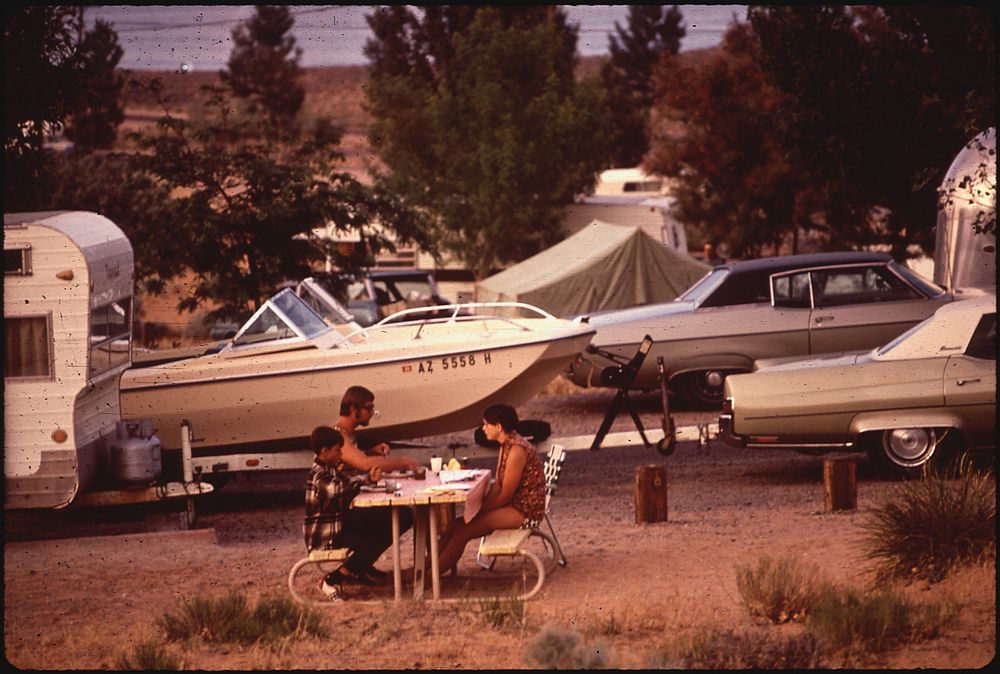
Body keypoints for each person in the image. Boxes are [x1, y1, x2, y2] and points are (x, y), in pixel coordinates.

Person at [435, 403, 546, 573]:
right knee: (453, 525)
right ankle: (420, 571)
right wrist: (481, 508)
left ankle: (427, 580)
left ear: (499, 427)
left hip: (524, 511)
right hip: (514, 506)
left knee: (463, 532)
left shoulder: (516, 450)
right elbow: (499, 485)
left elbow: (506, 495)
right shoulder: (506, 445)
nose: (484, 428)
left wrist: (482, 511)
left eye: (487, 424)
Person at [304, 426, 397, 600]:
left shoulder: (330, 468)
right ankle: (332, 579)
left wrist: (368, 479)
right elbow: (341, 490)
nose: (341, 454)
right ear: (325, 451)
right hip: (327, 536)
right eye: (337, 451)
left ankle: (360, 568)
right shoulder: (319, 475)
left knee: (393, 519)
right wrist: (365, 480)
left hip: (339, 524)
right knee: (374, 538)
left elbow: (349, 482)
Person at [334, 385, 421, 474]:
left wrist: (369, 452)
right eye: (369, 408)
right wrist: (403, 462)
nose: (372, 413)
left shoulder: (346, 433)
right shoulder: (337, 436)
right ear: (353, 409)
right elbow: (364, 464)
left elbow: (349, 462)